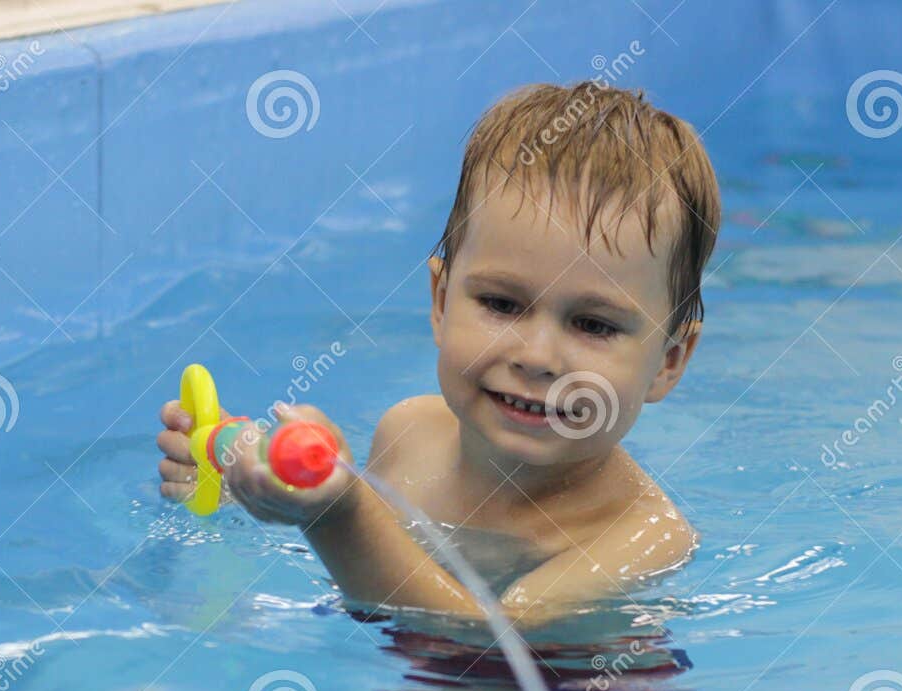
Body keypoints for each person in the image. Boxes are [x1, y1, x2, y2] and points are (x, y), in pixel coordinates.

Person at [158, 81, 722, 626]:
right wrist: (250, 483)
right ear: (440, 300)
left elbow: (485, 638)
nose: (538, 356)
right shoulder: (408, 434)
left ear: (670, 360)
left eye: (594, 324)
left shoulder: (643, 535)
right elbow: (370, 574)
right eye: (502, 304)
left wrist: (336, 515)